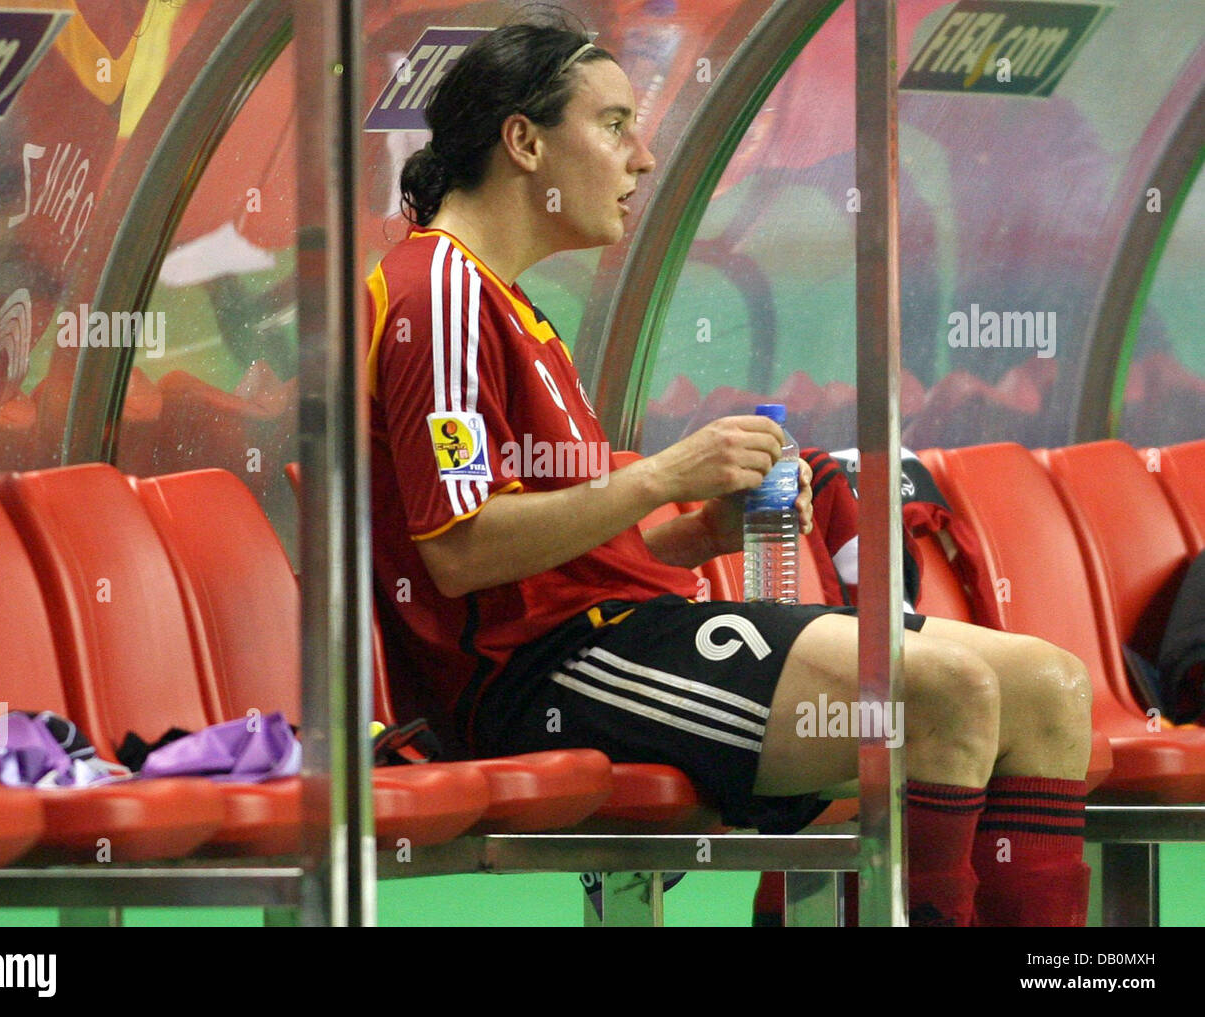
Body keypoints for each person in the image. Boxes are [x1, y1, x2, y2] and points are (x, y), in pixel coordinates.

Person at [367, 16, 1092, 927]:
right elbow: (463, 553)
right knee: (945, 693)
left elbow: (546, 554)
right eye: (615, 125)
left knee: (1052, 687)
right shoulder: (437, 291)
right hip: (537, 681)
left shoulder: (508, 304)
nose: (643, 158)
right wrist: (665, 473)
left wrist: (689, 532)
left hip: (616, 636)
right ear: (522, 140)